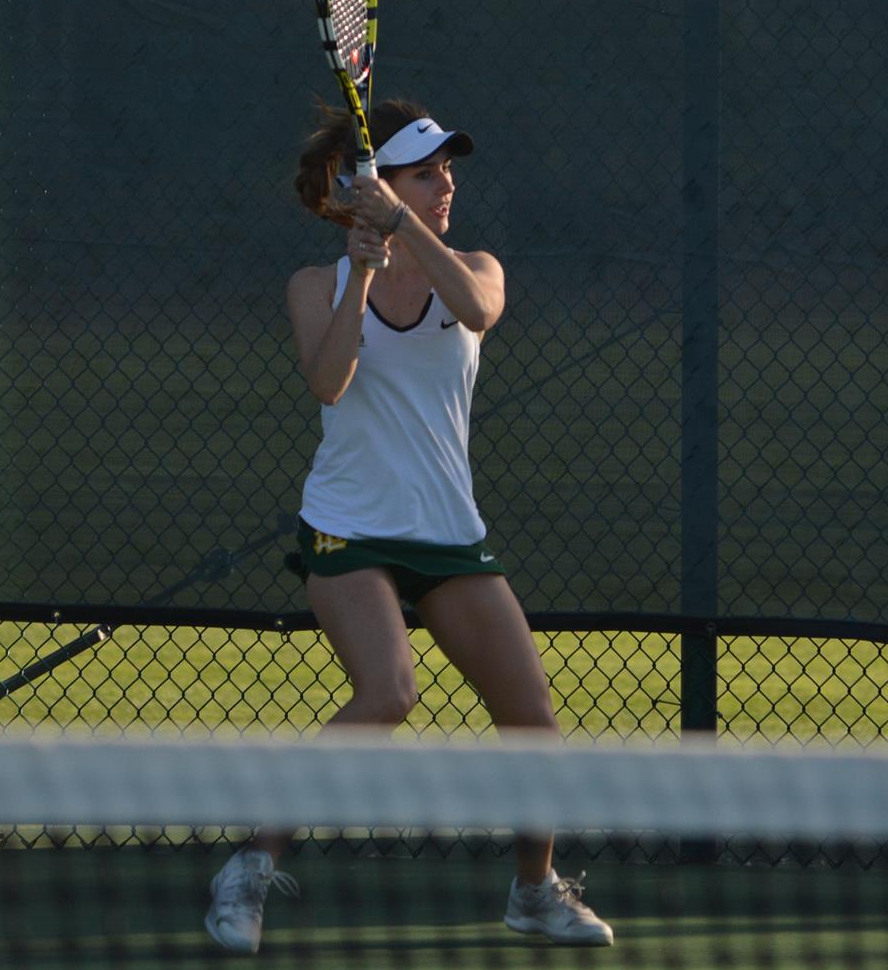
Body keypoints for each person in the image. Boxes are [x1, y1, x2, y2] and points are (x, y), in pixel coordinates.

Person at [203, 99, 614, 955]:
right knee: (388, 691)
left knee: (534, 721)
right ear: (375, 181)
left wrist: (402, 227)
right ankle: (248, 866)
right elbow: (327, 383)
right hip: (349, 530)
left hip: (448, 534)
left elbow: (477, 310)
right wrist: (359, 268)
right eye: (425, 171)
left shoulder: (476, 265)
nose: (446, 183)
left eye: (447, 169)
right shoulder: (314, 285)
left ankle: (533, 894)